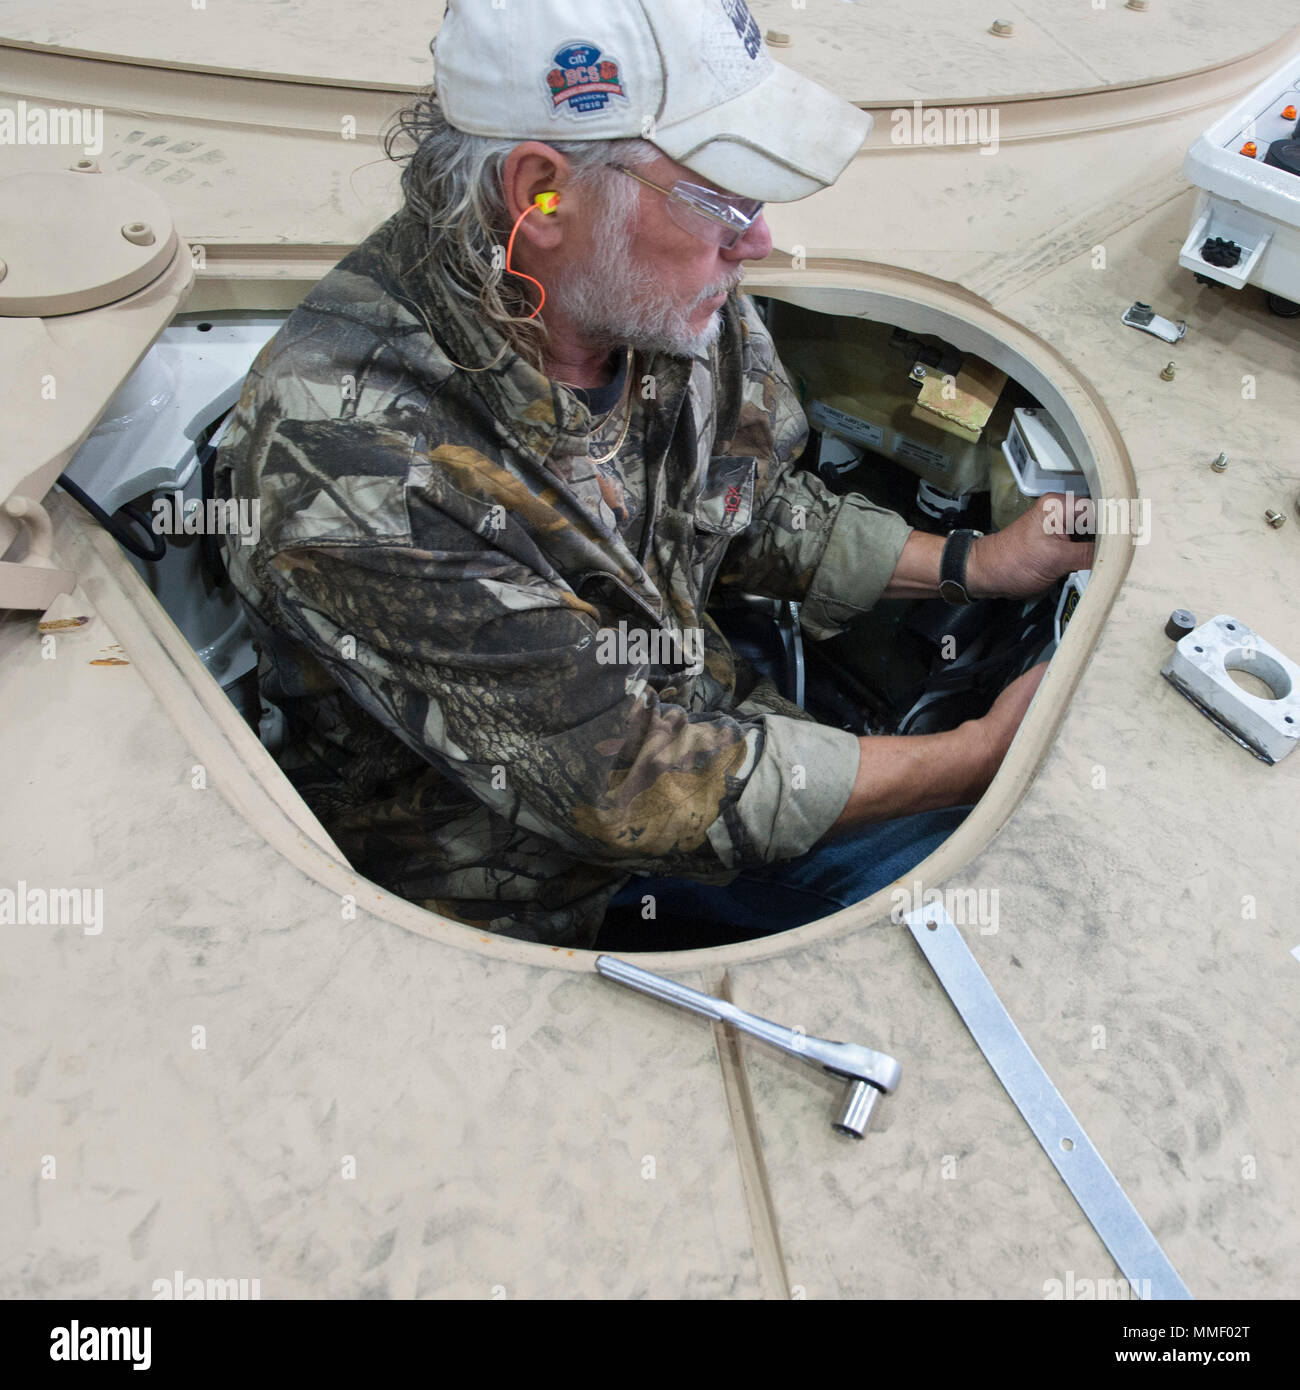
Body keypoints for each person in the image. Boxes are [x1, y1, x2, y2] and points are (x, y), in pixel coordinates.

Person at [215, 0, 1091, 947]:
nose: (754, 241)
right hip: (531, 898)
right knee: (987, 906)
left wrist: (975, 564)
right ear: (541, 194)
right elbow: (628, 786)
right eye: (725, 197)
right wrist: (977, 758)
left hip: (703, 722)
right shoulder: (354, 460)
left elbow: (741, 503)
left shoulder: (647, 293)